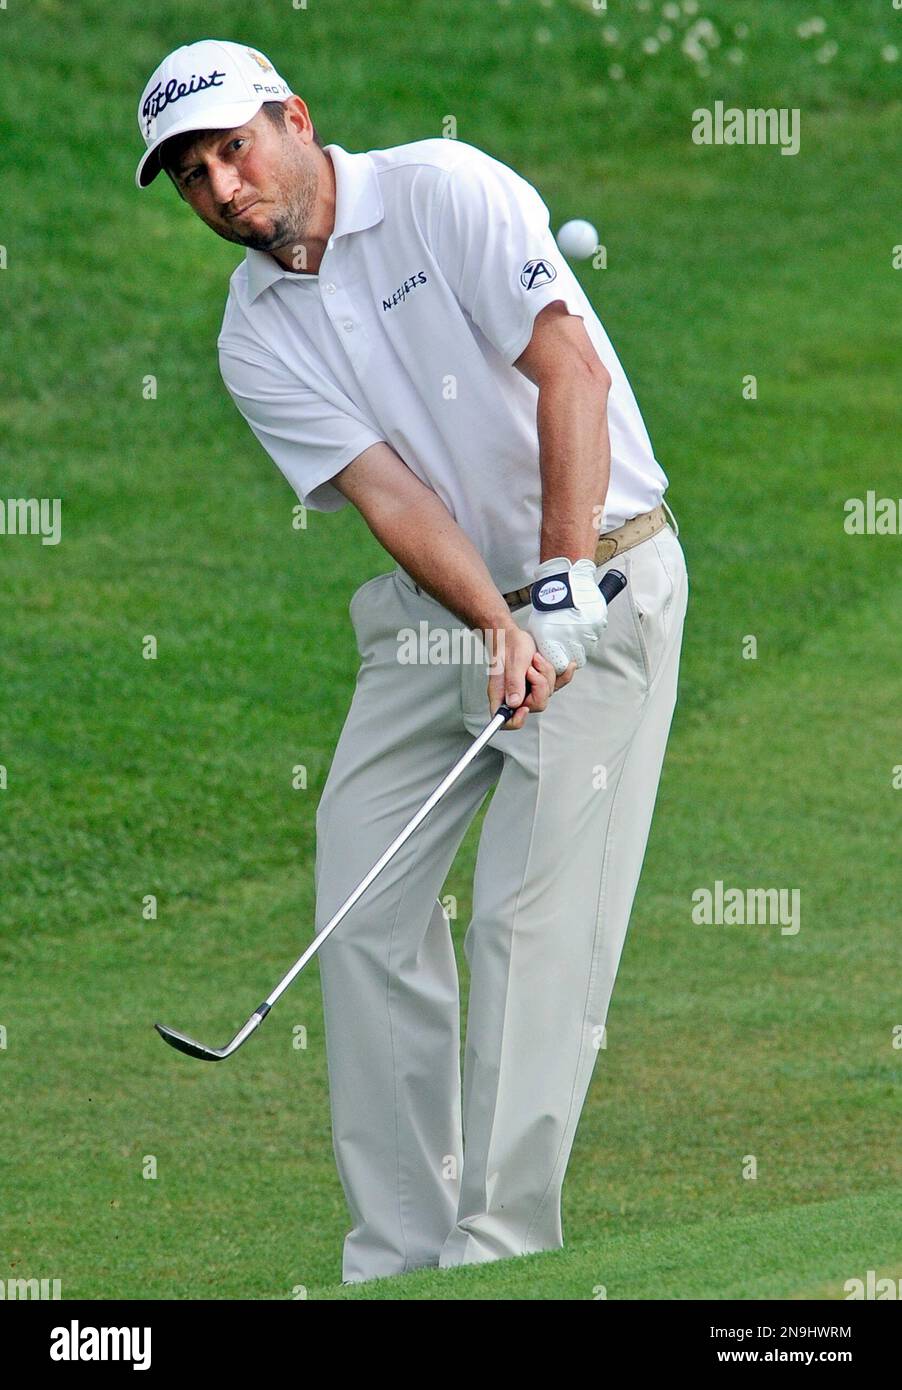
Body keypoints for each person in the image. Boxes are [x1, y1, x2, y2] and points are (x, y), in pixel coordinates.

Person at [135, 39, 689, 1285]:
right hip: (436, 610)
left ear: (294, 119)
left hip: (600, 572)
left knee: (523, 921)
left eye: (233, 148)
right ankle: (395, 1257)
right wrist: (495, 626)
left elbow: (569, 371)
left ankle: (495, 1257)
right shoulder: (250, 335)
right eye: (190, 175)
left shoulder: (446, 185)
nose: (222, 186)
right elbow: (389, 495)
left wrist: (550, 589)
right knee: (360, 897)